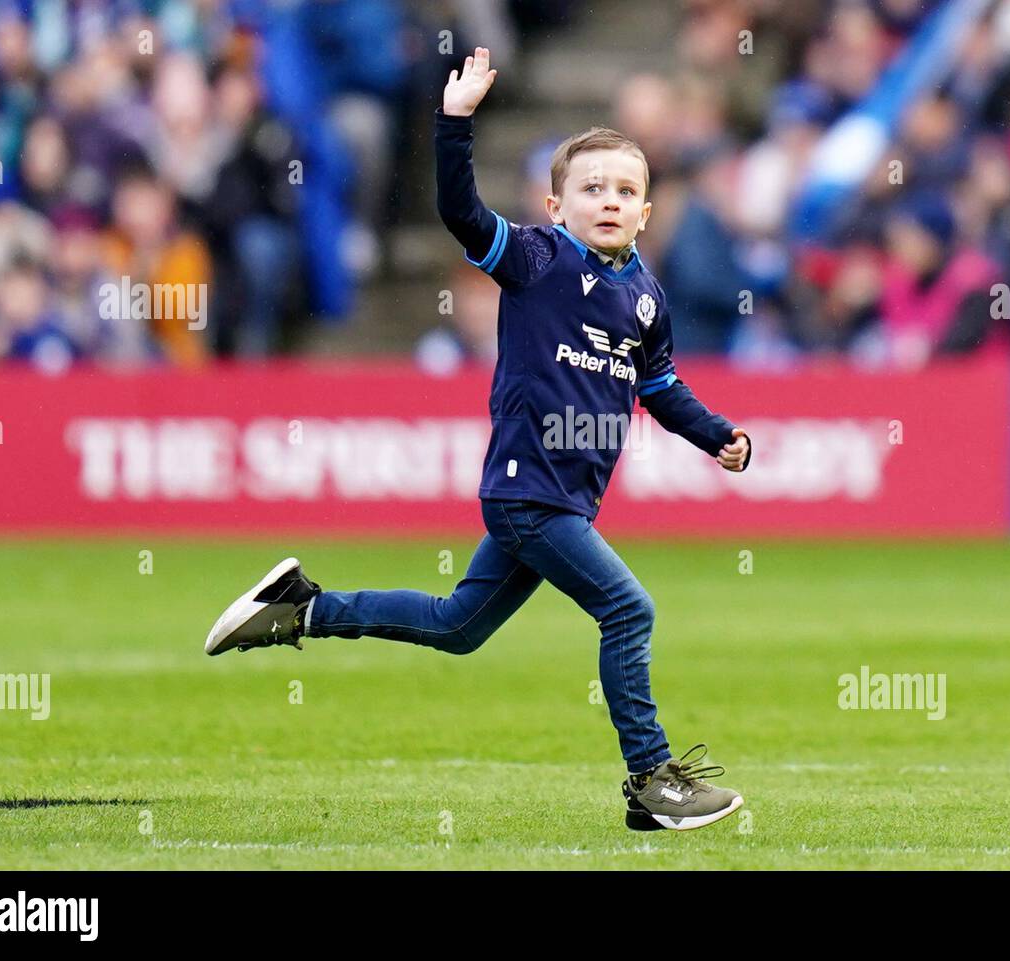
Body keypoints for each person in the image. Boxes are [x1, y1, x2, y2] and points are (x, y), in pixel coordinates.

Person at [203, 49, 751, 832]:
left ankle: (302, 609)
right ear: (556, 206)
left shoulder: (646, 299)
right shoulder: (537, 258)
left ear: (645, 212)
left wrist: (718, 436)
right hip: (530, 494)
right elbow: (462, 213)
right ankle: (651, 779)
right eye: (590, 188)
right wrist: (454, 123)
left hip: (563, 501)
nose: (608, 200)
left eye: (625, 190)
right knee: (629, 611)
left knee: (457, 625)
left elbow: (659, 388)